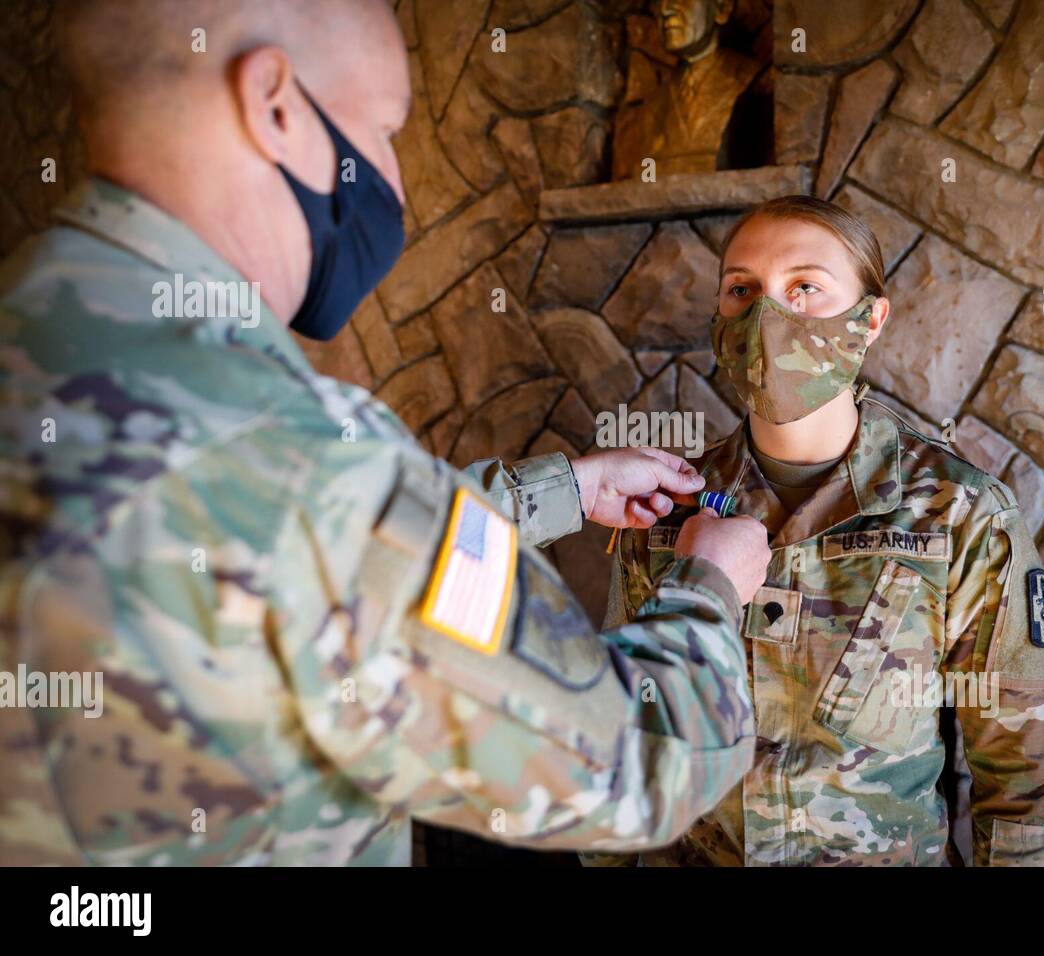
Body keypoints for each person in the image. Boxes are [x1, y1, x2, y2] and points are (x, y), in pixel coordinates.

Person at [0, 0, 769, 865]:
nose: (396, 186)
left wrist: (565, 491)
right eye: (384, 129)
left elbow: (295, 565)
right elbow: (634, 765)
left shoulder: (43, 334)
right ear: (276, 105)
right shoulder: (295, 453)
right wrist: (710, 587)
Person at [587, 196, 1044, 867]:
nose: (767, 314)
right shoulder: (664, 509)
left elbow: (1015, 778)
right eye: (742, 290)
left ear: (871, 319)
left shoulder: (958, 512)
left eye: (804, 287)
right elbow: (625, 737)